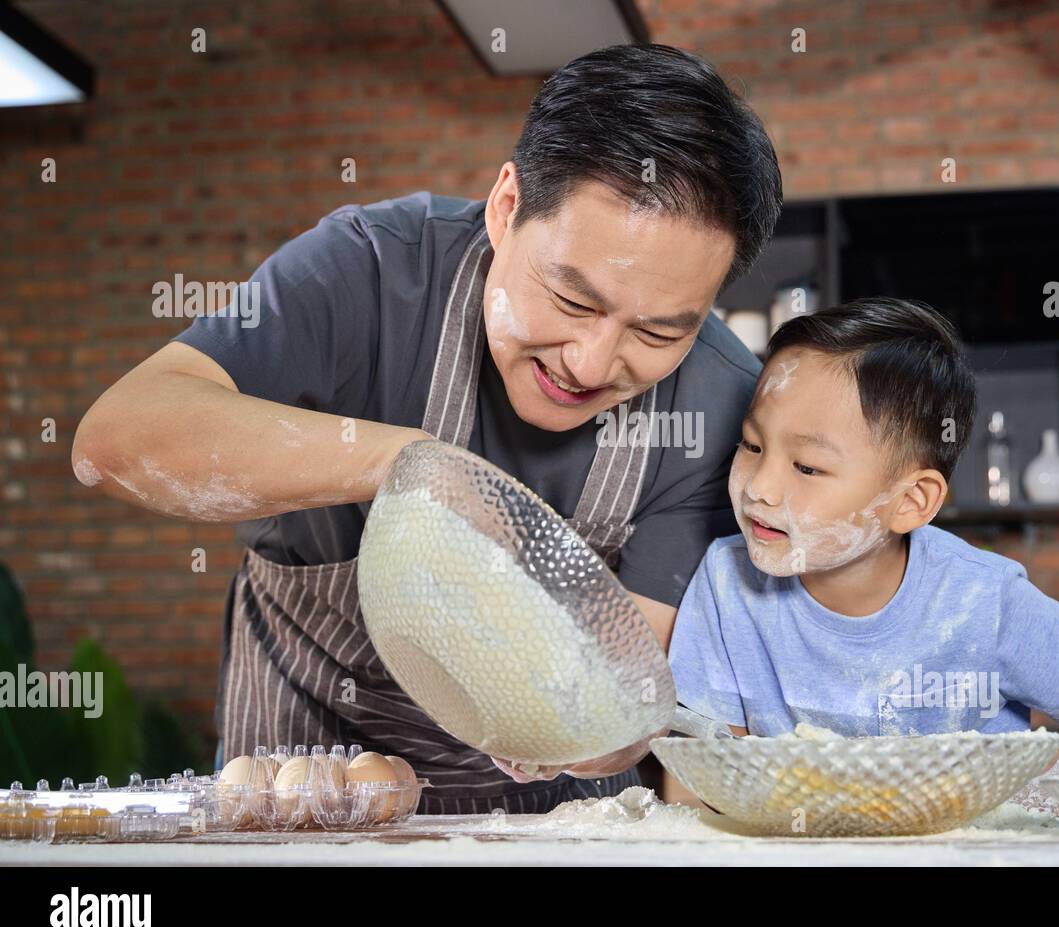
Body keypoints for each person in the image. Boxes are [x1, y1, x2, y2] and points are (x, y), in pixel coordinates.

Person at [71, 44, 783, 813]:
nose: (591, 359)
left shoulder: (719, 404)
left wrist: (600, 729)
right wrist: (406, 462)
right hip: (306, 750)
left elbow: (625, 678)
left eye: (657, 333)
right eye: (573, 301)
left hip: (550, 809)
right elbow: (114, 440)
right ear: (507, 207)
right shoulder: (369, 273)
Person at [667, 298, 1059, 812]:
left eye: (807, 467)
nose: (760, 489)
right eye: (752, 446)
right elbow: (727, 767)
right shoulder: (727, 585)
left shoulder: (980, 599)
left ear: (910, 501)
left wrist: (1054, 795)